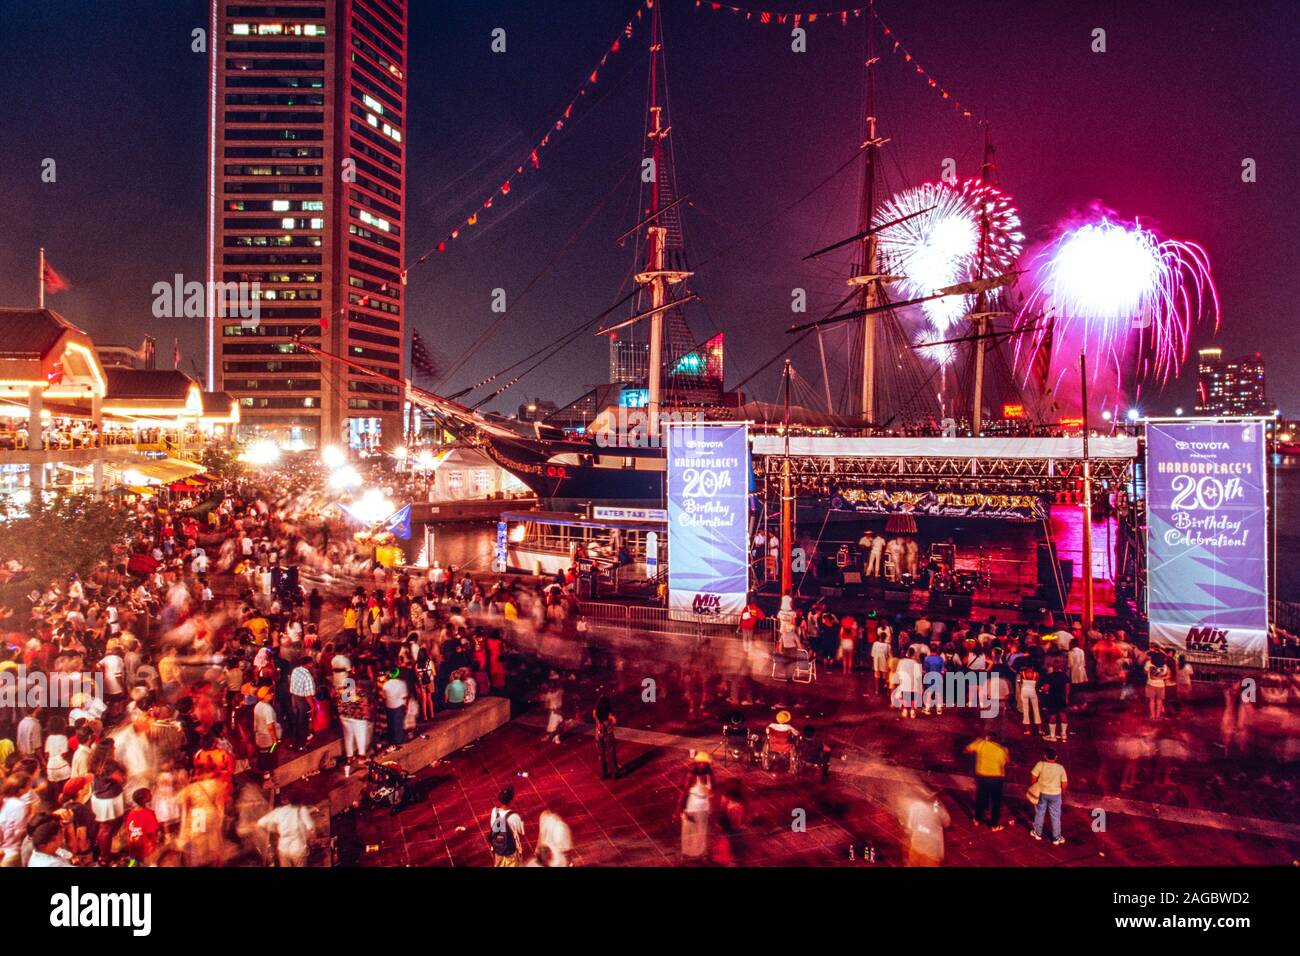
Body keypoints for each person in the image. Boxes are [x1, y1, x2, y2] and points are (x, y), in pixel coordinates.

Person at [965, 732, 1009, 831]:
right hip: (996, 778)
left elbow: (968, 749)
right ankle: (994, 825)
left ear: (987, 738)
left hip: (982, 777)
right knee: (996, 802)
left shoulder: (981, 744)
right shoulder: (1002, 750)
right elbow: (1005, 762)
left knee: (981, 798)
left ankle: (977, 819)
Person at [258, 799, 316, 867]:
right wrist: (310, 835)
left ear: (286, 801)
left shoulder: (280, 811)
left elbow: (261, 822)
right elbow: (311, 828)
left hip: (283, 849)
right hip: (298, 849)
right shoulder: (302, 810)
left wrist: (275, 830)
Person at [678, 752, 713, 863]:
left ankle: (702, 854)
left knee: (702, 831)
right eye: (700, 763)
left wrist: (712, 804)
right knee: (689, 831)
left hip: (705, 807)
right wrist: (679, 808)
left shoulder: (710, 775)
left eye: (704, 763)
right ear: (696, 764)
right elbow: (684, 792)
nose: (702, 765)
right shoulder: (691, 776)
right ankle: (686, 854)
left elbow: (713, 790)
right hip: (692, 807)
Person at [1030, 747, 1068, 845]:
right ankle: (1056, 838)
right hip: (1055, 794)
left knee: (1039, 813)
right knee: (1055, 816)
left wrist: (1035, 786)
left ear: (1045, 756)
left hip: (1042, 792)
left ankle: (1038, 833)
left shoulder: (1040, 764)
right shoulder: (1060, 768)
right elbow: (1064, 783)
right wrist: (1061, 791)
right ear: (1056, 757)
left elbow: (1033, 776)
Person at [487, 785, 527, 866]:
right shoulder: (514, 816)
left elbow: (492, 826)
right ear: (511, 800)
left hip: (498, 847)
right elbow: (522, 832)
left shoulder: (494, 811)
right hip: (511, 849)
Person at [1041, 663, 1071, 742]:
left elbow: (1046, 688)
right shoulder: (1064, 676)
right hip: (1062, 697)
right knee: (1063, 714)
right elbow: (1067, 686)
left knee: (1053, 715)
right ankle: (1064, 735)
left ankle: (1052, 736)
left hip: (1053, 697)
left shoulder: (1050, 676)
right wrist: (1067, 697)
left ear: (1053, 668)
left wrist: (1043, 689)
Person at [381, 670, 410, 747]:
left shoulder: (385, 685)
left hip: (389, 706)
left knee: (391, 724)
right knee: (399, 724)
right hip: (399, 705)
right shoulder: (401, 683)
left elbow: (384, 697)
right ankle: (399, 740)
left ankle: (393, 741)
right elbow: (405, 697)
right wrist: (406, 706)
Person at [593, 696, 620, 780]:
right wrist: (610, 718)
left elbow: (595, 715)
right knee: (611, 753)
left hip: (598, 735)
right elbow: (614, 721)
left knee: (601, 754)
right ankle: (614, 773)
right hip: (608, 734)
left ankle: (603, 774)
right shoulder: (609, 715)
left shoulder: (595, 712)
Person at [1145, 650, 1171, 721]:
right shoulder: (1165, 666)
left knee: (1151, 701)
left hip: (1150, 684)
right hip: (1161, 685)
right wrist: (1162, 677)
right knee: (1159, 701)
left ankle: (1152, 716)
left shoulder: (1149, 664)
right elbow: (1169, 675)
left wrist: (1157, 677)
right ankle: (1158, 716)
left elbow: (1149, 675)